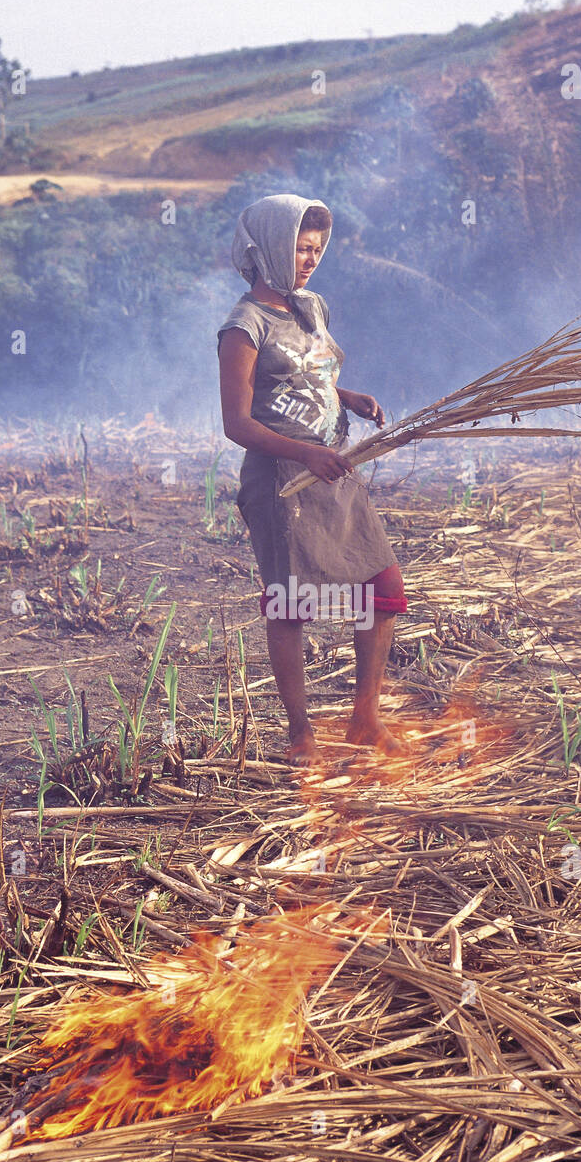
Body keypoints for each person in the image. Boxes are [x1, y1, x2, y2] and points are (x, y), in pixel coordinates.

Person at [217, 192, 407, 765]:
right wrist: (303, 453)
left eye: (318, 249)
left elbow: (305, 376)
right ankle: (300, 734)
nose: (310, 259)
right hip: (281, 479)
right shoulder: (243, 327)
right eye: (301, 248)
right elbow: (237, 422)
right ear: (269, 248)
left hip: (331, 466)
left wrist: (346, 396)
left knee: (385, 589)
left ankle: (364, 720)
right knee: (290, 603)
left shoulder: (312, 307)